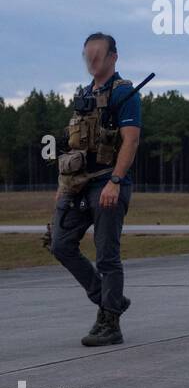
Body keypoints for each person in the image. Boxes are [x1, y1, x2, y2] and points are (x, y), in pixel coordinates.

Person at [50, 33, 142, 347]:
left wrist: (115, 181)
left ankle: (110, 324)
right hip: (77, 185)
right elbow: (74, 144)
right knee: (60, 243)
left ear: (113, 57)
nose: (92, 61)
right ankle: (108, 298)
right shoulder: (84, 94)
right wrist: (63, 186)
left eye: (98, 55)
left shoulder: (124, 93)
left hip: (107, 184)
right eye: (87, 55)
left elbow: (131, 140)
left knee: (107, 257)